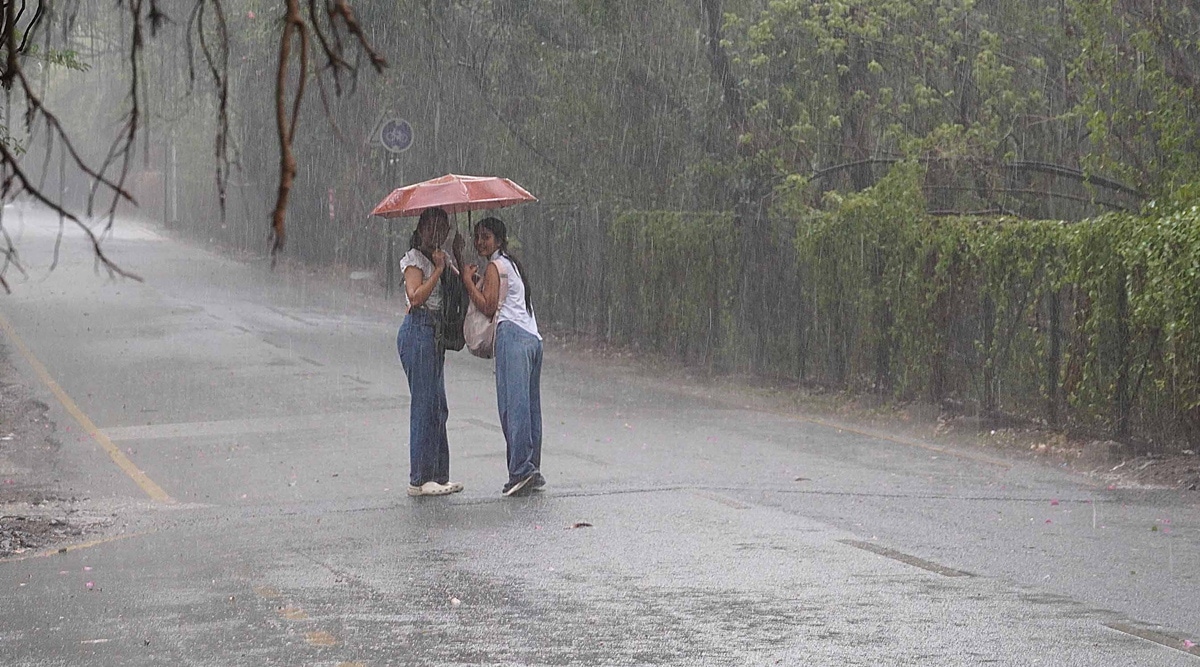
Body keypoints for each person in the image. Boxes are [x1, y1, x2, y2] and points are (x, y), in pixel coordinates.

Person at [463, 216, 546, 497]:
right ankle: (531, 466)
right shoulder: (511, 264)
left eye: (485, 236)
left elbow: (487, 307)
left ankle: (520, 470)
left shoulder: (495, 266)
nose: (479, 242)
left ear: (498, 239)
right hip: (533, 338)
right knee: (530, 406)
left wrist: (466, 282)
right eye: (477, 236)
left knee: (513, 406)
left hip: (511, 337)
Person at [397, 206, 465, 496]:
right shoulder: (413, 260)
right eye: (431, 227)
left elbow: (461, 285)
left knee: (439, 406)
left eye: (443, 229)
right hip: (418, 329)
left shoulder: (443, 257)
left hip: (435, 334)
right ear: (421, 229)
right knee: (424, 405)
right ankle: (419, 478)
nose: (436, 234)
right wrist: (436, 269)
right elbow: (416, 297)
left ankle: (438, 473)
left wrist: (457, 256)